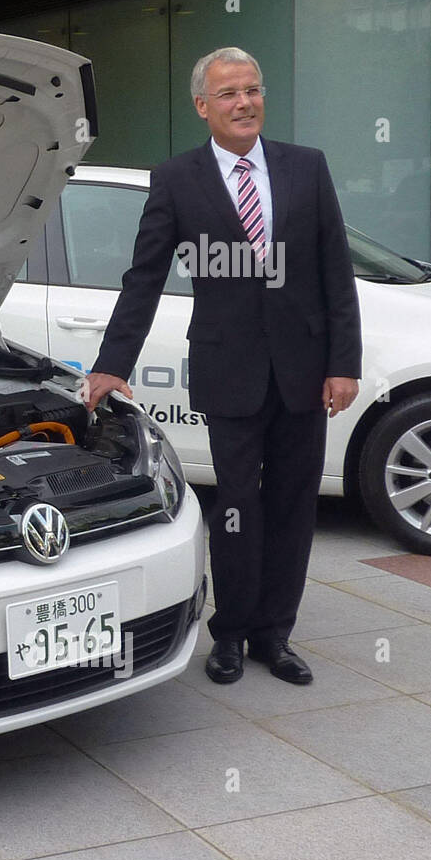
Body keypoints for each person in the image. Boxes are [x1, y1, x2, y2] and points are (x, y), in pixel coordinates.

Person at [81, 47, 362, 687]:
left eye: (252, 90)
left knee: (293, 506)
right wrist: (111, 364)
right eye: (229, 94)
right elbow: (145, 277)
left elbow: (334, 272)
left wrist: (343, 363)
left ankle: (274, 636)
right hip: (229, 370)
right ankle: (230, 631)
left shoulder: (306, 168)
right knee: (237, 505)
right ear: (203, 107)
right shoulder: (178, 179)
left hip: (303, 370)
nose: (244, 103)